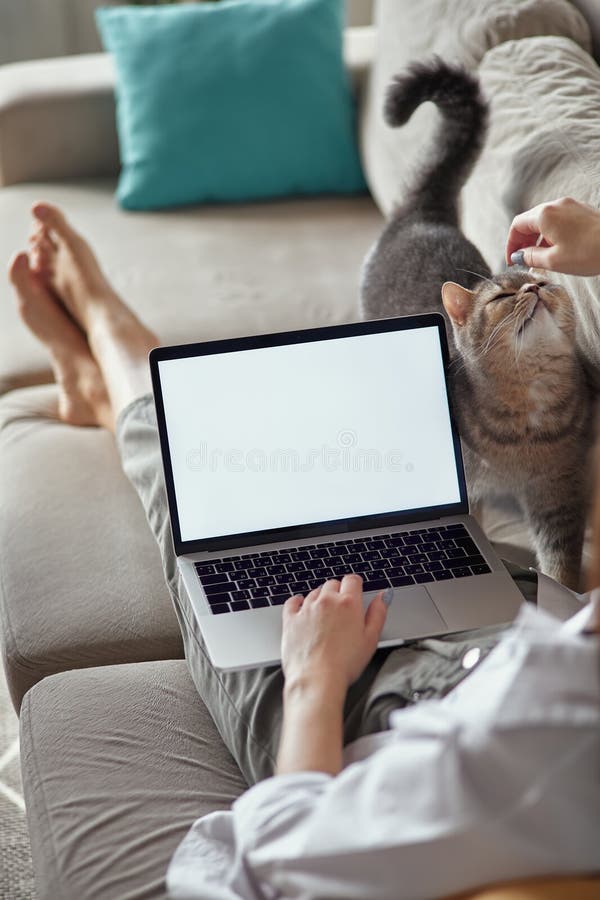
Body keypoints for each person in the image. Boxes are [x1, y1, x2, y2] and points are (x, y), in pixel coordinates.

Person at [7, 198, 600, 899]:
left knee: (196, 493)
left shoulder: (494, 802)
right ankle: (106, 378)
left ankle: (108, 347)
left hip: (367, 708)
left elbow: (286, 851)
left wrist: (314, 678)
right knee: (358, 496)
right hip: (524, 632)